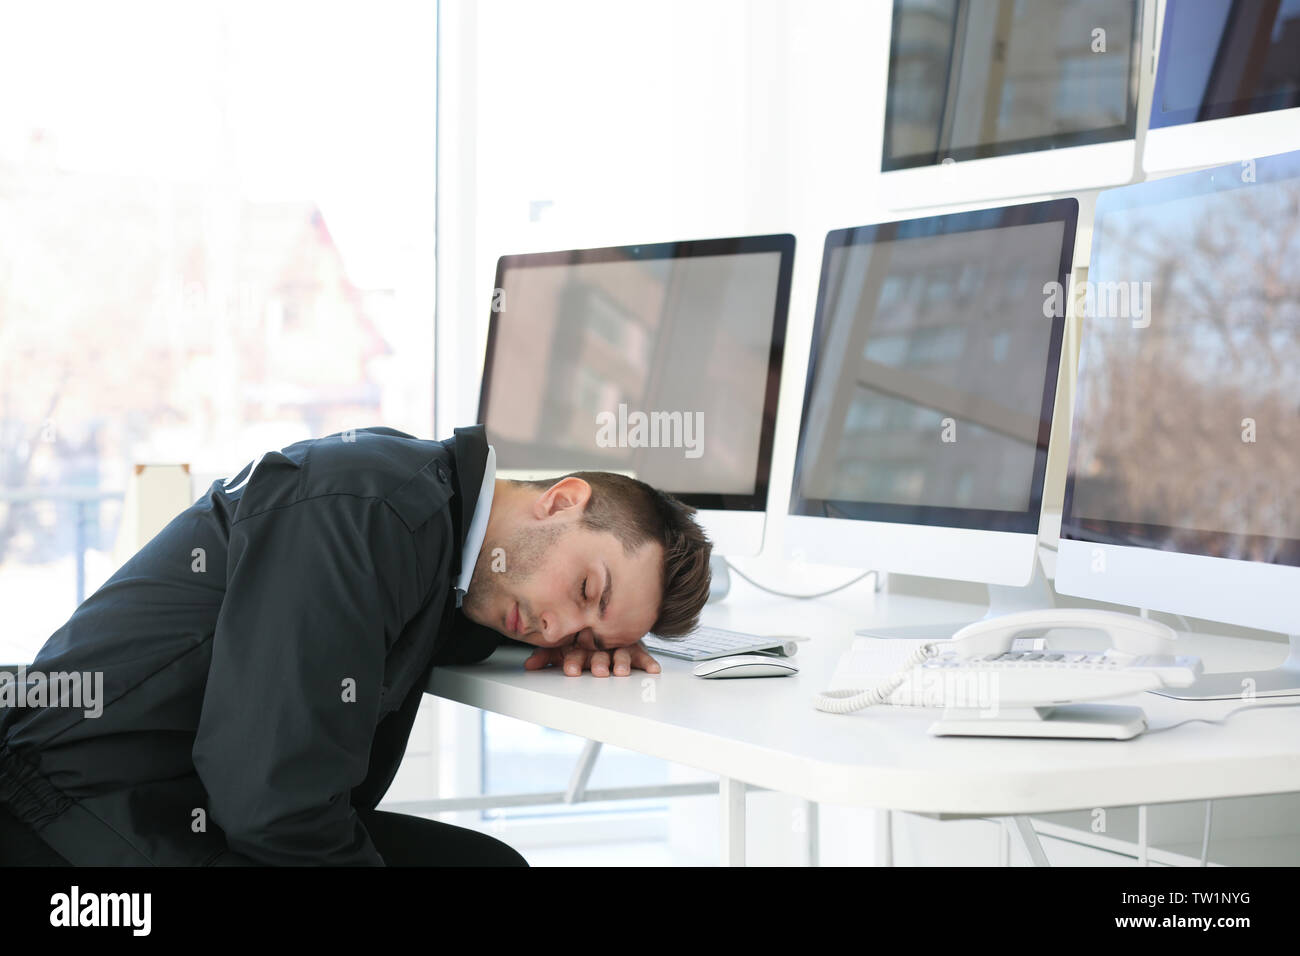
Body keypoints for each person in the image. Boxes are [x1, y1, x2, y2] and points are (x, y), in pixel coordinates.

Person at [0, 424, 712, 866]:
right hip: (75, 815)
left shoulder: (428, 508)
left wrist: (567, 644)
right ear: (561, 500)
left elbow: (415, 614)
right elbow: (273, 802)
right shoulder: (373, 511)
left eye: (586, 635)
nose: (560, 629)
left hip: (177, 799)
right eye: (586, 590)